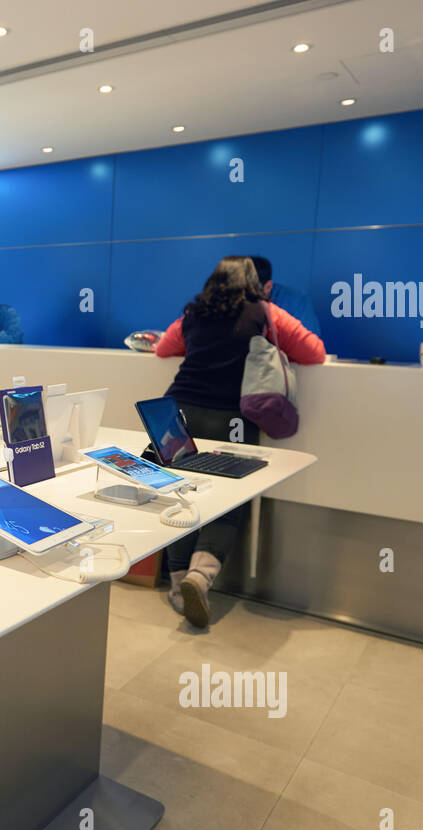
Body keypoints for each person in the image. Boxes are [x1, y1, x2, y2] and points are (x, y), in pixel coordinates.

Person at [154, 256, 325, 627]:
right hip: (231, 420)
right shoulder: (264, 311)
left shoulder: (194, 312)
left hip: (176, 411)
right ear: (255, 283)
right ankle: (202, 575)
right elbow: (315, 352)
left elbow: (162, 349)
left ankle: (178, 582)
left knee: (179, 493)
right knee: (228, 501)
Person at [249, 255, 321, 338]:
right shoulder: (234, 299)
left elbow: (310, 346)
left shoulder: (295, 302)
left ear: (268, 287)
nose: (242, 295)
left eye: (248, 289)